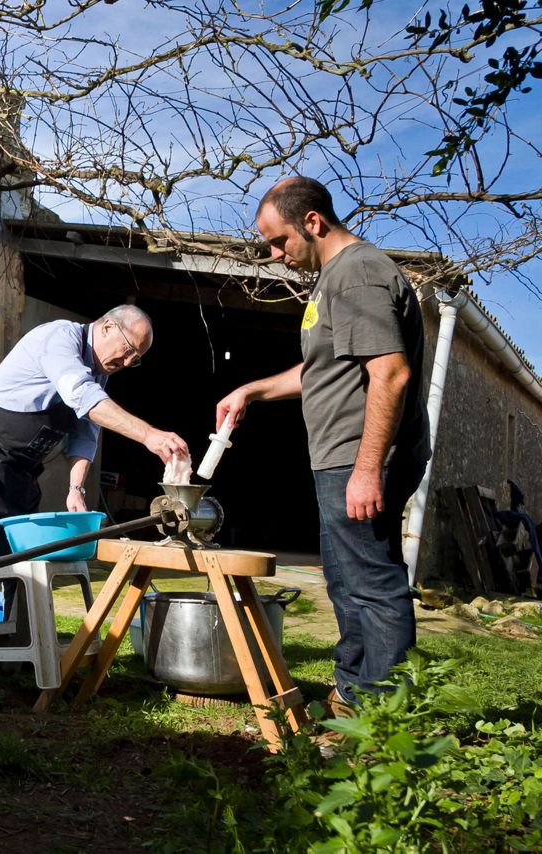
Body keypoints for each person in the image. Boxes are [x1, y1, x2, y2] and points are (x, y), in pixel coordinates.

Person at [215, 176, 430, 711]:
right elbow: (322, 369)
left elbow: (391, 374)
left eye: (279, 240)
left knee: (373, 585)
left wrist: (367, 468)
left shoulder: (357, 275)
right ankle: (352, 694)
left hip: (360, 458)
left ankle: (379, 721)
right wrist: (252, 390)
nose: (274, 254)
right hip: (341, 459)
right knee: (344, 580)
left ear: (312, 221)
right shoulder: (335, 277)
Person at [0, 304, 188, 684]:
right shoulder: (59, 339)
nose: (126, 361)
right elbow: (83, 398)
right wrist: (149, 435)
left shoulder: (100, 371)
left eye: (135, 358)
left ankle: (16, 653)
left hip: (22, 464)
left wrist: (75, 488)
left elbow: (85, 434)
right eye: (128, 349)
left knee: (22, 554)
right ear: (107, 326)